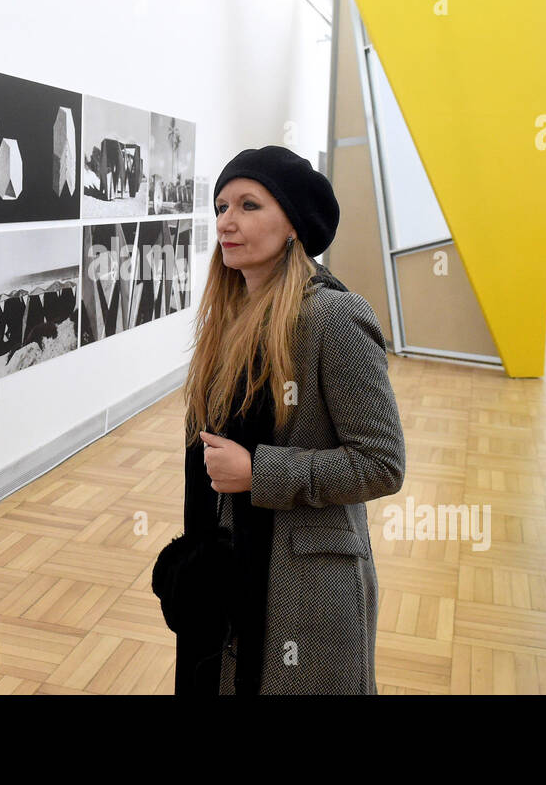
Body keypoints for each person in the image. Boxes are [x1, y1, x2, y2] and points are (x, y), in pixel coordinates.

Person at [163, 145, 405, 695]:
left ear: (294, 225)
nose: (227, 221)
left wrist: (260, 472)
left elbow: (382, 464)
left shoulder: (333, 320)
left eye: (249, 205)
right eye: (222, 205)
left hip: (301, 588)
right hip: (228, 575)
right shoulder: (225, 319)